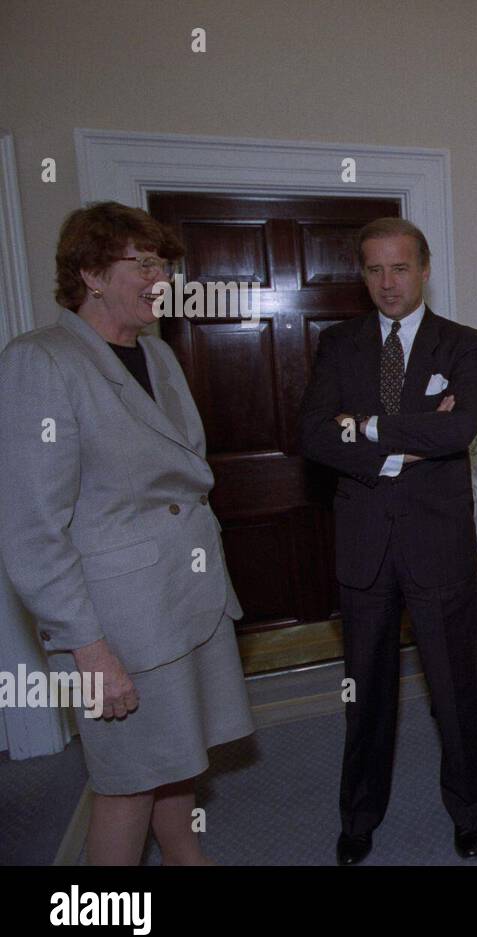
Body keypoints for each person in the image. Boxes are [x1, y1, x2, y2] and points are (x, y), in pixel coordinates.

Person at [0, 202, 252, 865]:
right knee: (124, 785)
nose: (159, 276)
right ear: (89, 271)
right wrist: (88, 649)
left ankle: (184, 857)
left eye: (163, 262)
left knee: (178, 758)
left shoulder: (158, 355)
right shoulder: (42, 362)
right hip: (119, 624)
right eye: (141, 262)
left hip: (187, 599)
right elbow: (31, 530)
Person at [298, 217, 477, 864]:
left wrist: (369, 427)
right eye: (375, 269)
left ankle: (469, 810)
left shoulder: (463, 343)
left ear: (425, 268)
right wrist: (401, 447)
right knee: (366, 692)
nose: (387, 282)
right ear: (362, 273)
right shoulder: (338, 344)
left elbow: (458, 428)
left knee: (454, 689)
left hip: (439, 545)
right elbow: (317, 437)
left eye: (400, 267)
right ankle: (359, 816)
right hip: (363, 544)